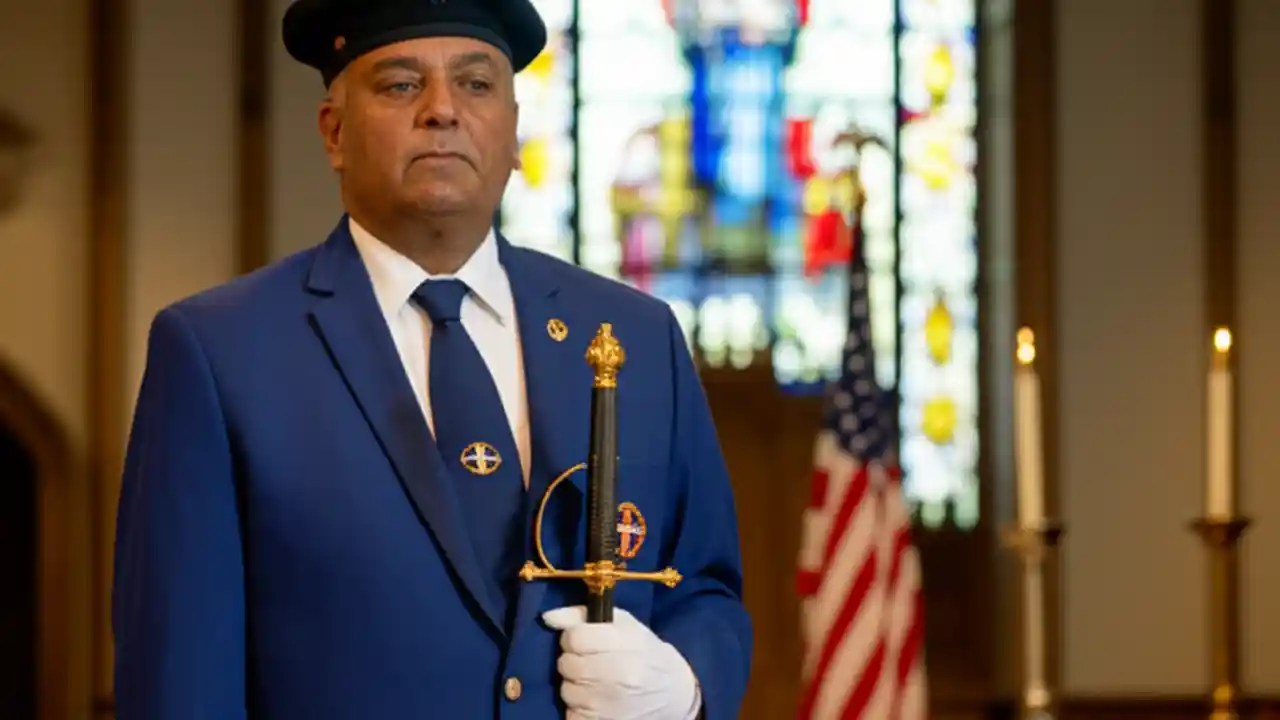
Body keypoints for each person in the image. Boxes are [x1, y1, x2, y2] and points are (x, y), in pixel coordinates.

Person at [110, 0, 752, 718]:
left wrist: (688, 685)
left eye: (476, 84)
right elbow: (181, 676)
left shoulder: (635, 334)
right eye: (400, 85)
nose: (442, 110)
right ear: (334, 131)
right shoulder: (221, 353)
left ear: (513, 131)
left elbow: (705, 590)